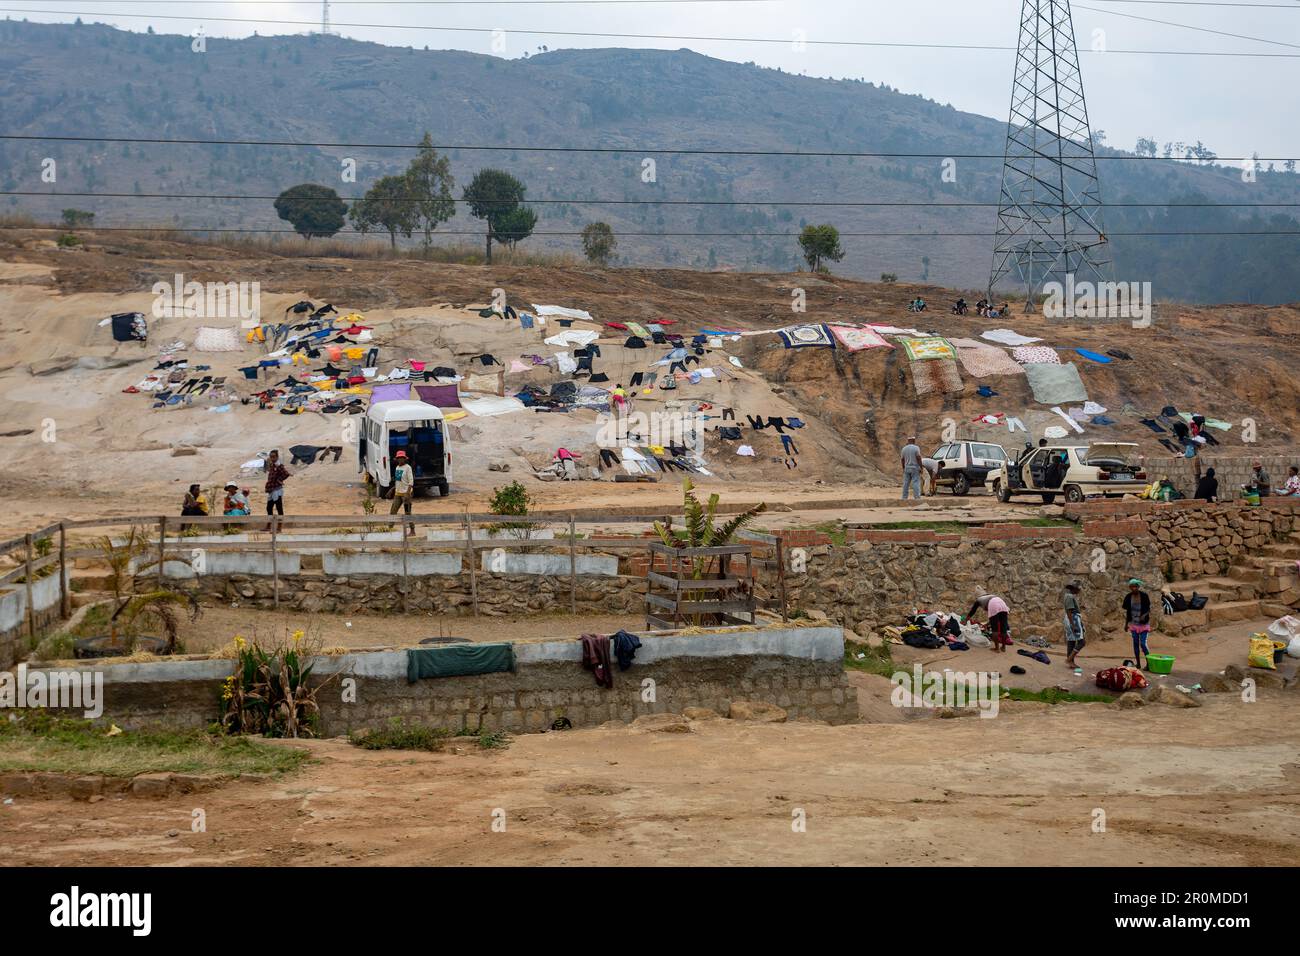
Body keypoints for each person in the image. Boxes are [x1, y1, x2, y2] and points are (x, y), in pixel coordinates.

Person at [1121, 578, 1152, 670]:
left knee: (1143, 644)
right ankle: (1138, 663)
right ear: (1130, 587)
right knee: (1135, 644)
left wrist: (1144, 615)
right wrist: (1126, 624)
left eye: (1136, 586)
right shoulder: (1128, 597)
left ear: (1138, 587)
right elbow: (1127, 612)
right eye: (1132, 587)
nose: (1134, 588)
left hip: (1143, 624)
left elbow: (1148, 609)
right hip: (1133, 624)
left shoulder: (1144, 596)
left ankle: (1149, 663)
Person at [389, 449, 416, 531]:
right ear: (397, 459)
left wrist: (407, 494)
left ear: (405, 459)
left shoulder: (408, 468)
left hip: (406, 494)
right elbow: (398, 481)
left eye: (402, 458)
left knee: (407, 513)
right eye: (398, 458)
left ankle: (412, 530)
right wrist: (392, 489)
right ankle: (390, 529)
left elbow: (411, 482)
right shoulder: (397, 467)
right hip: (398, 493)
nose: (400, 459)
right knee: (393, 511)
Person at [264, 450, 290, 524]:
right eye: (271, 456)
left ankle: (279, 527)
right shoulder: (272, 465)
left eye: (274, 457)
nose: (272, 458)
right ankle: (270, 525)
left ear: (277, 457)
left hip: (277, 490)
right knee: (269, 508)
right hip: (271, 490)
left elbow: (286, 474)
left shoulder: (279, 465)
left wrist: (279, 480)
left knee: (279, 508)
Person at [1063, 582, 1085, 668]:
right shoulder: (1069, 596)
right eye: (1078, 589)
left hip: (1071, 618)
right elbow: (1069, 611)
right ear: (1074, 589)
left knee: (1071, 641)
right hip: (1073, 619)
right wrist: (1073, 624)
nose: (1079, 590)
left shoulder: (1068, 596)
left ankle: (1071, 662)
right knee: (1082, 642)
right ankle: (1069, 659)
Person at [900, 436, 923, 500]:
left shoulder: (904, 449)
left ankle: (904, 498)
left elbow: (902, 459)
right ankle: (917, 498)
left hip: (907, 467)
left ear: (908, 441)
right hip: (915, 467)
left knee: (906, 483)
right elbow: (918, 458)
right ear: (914, 440)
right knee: (915, 482)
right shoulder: (916, 448)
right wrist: (921, 467)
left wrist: (903, 468)